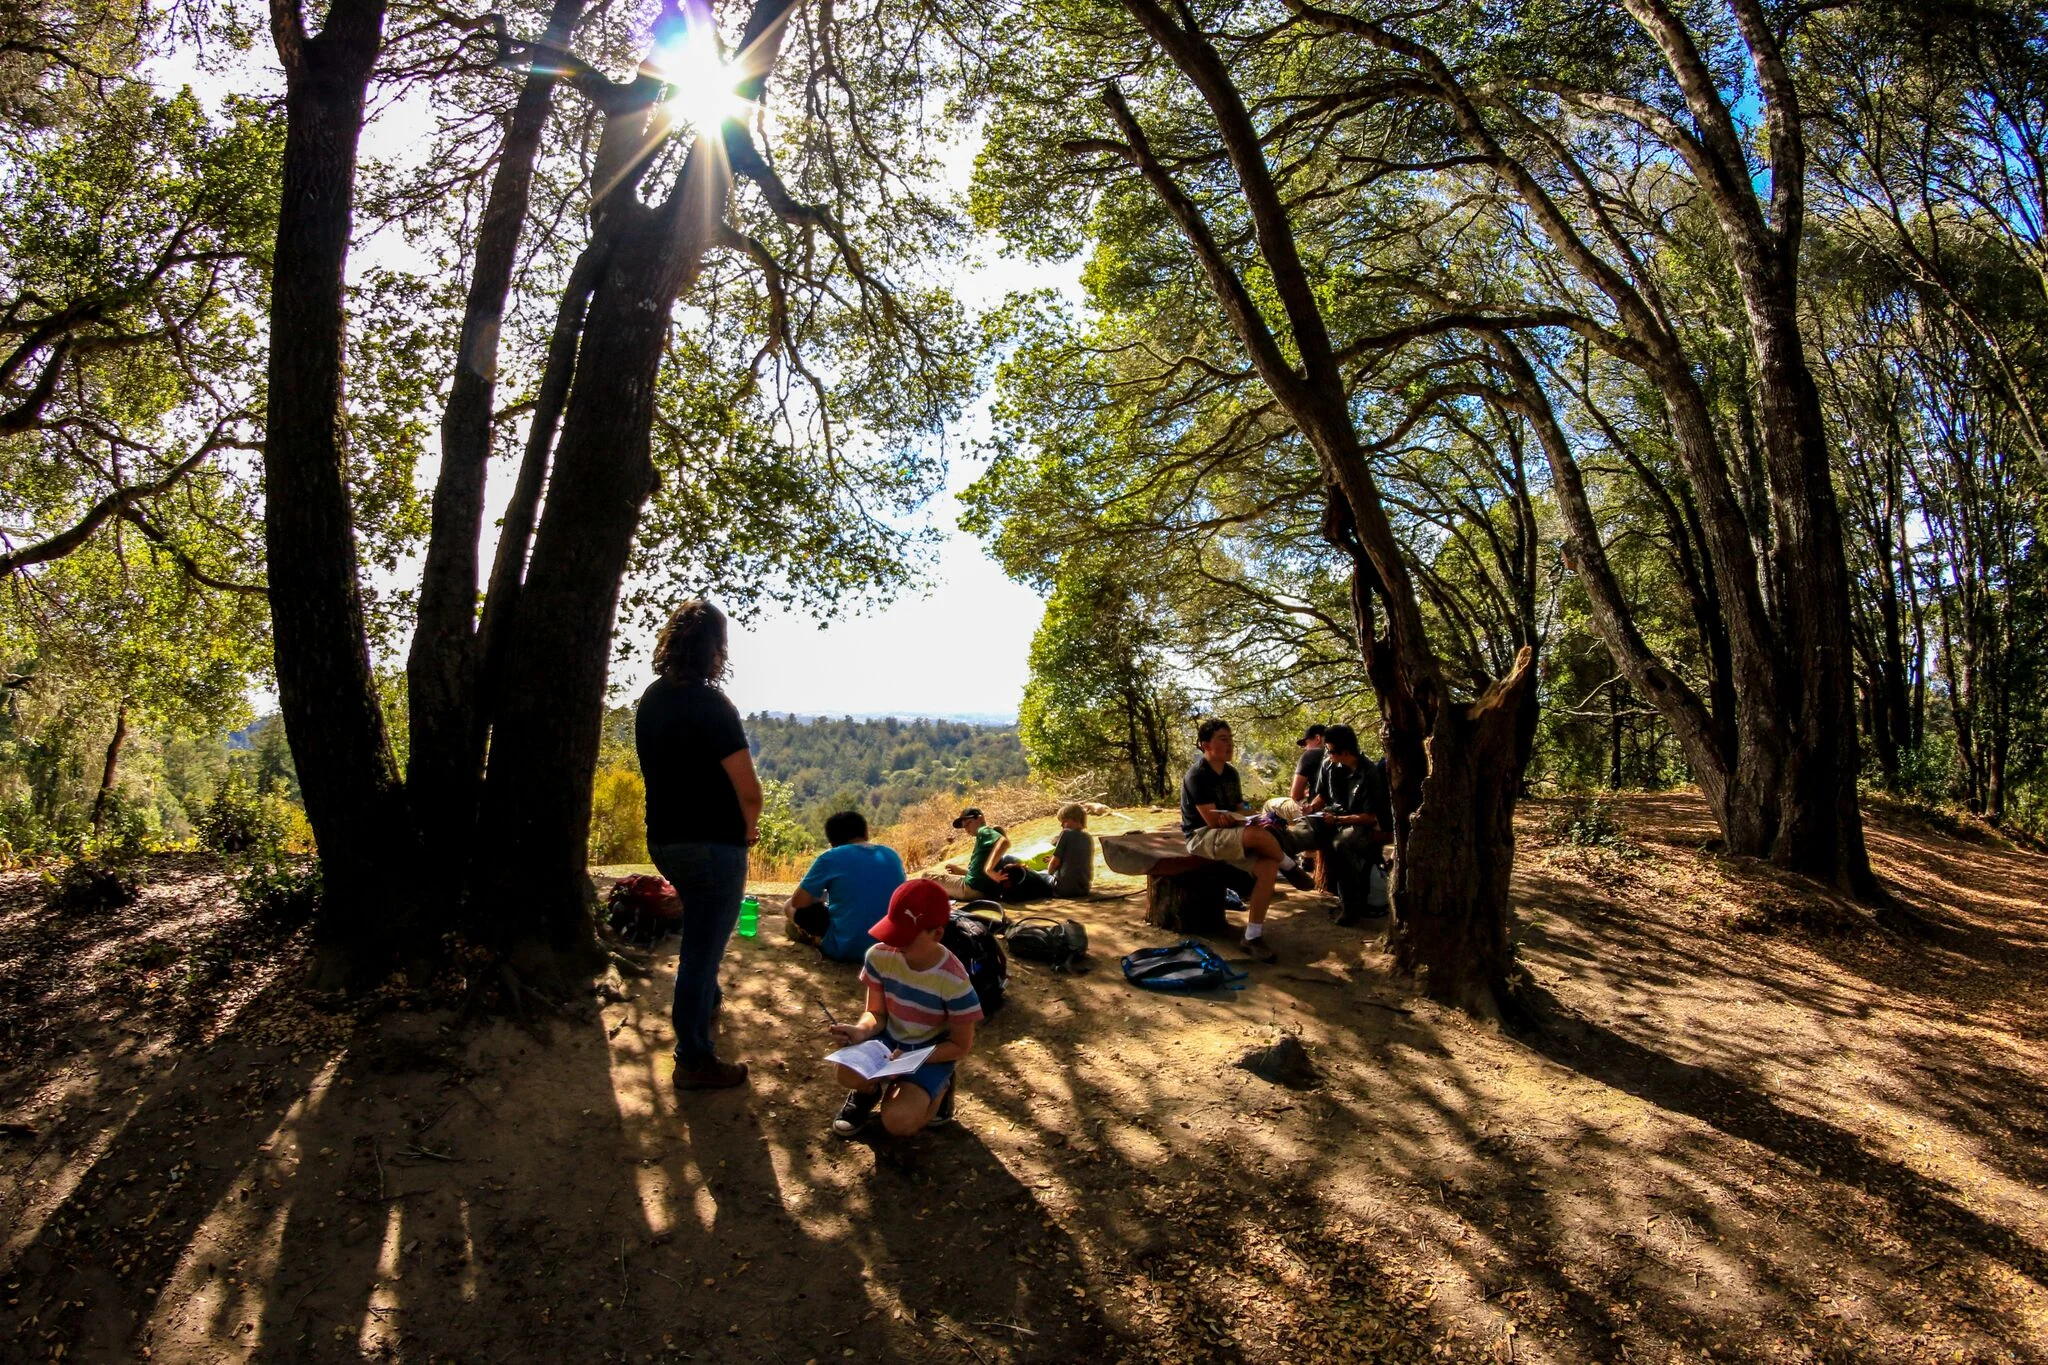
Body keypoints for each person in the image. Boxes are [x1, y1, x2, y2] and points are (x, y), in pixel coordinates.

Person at [636, 599, 764, 1091]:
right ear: (716, 649)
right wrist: (748, 828)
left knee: (700, 933)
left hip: (665, 840)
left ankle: (705, 1007)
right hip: (713, 843)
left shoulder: (651, 698)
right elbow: (748, 790)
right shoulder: (714, 706)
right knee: (702, 951)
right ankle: (693, 1059)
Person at [828, 879, 982, 1139]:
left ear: (937, 934)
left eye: (906, 938)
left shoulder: (953, 980)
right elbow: (876, 1014)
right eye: (893, 932)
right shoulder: (879, 955)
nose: (896, 945)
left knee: (898, 1122)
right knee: (845, 1072)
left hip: (930, 1052)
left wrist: (914, 1060)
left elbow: (960, 1045)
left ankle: (939, 1089)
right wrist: (860, 1031)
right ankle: (869, 1094)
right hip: (888, 1042)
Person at [1181, 718, 1314, 963]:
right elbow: (1211, 821)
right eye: (1223, 739)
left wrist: (1249, 817)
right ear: (1205, 745)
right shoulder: (1197, 775)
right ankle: (1290, 865)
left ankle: (1252, 936)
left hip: (1231, 831)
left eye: (1231, 739)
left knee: (1267, 866)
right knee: (1258, 835)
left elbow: (1239, 809)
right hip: (1201, 837)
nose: (1230, 744)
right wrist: (1240, 820)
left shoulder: (1230, 773)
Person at [786, 811, 906, 962]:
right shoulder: (891, 854)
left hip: (846, 948)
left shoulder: (830, 857)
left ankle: (816, 939)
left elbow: (798, 902)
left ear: (832, 842)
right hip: (889, 947)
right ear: (866, 833)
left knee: (789, 905)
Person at [1306, 725, 1393, 924]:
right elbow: (1321, 796)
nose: (1327, 754)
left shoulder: (1369, 773)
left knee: (1342, 844)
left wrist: (1338, 820)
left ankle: (1351, 907)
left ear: (1344, 752)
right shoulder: (1328, 765)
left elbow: (1369, 817)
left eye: (1330, 750)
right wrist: (1311, 808)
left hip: (1359, 825)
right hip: (1332, 818)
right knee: (1304, 832)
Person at [954, 806, 1054, 903]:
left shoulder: (1004, 860)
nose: (966, 830)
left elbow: (1004, 843)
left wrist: (988, 870)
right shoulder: (995, 863)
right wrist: (963, 871)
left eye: (967, 824)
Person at [1046, 803, 1094, 897]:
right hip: (1084, 889)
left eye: (1065, 821)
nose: (1062, 825)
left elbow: (1054, 864)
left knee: (1040, 875)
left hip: (1063, 889)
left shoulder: (1066, 833)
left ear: (1075, 819)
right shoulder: (1088, 838)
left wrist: (1049, 871)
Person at [1289, 724, 1328, 804]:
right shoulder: (1343, 755)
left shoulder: (1310, 754)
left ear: (1318, 738)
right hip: (1344, 810)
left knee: (1270, 804)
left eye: (1306, 744)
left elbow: (1295, 795)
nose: (1305, 748)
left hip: (1316, 810)